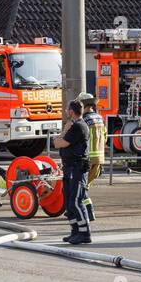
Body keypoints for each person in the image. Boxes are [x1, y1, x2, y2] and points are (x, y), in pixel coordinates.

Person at [51, 99, 91, 244]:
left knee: (75, 201)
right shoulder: (74, 126)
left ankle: (84, 233)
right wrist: (65, 131)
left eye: (68, 109)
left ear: (71, 111)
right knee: (69, 202)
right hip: (69, 168)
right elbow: (61, 141)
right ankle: (75, 231)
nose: (66, 111)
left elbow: (59, 143)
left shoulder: (79, 127)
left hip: (77, 168)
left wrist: (62, 134)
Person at [80, 93, 104, 222]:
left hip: (88, 157)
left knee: (81, 186)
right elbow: (104, 136)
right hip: (99, 157)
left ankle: (89, 211)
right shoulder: (99, 118)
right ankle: (74, 209)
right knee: (85, 186)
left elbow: (82, 138)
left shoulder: (84, 120)